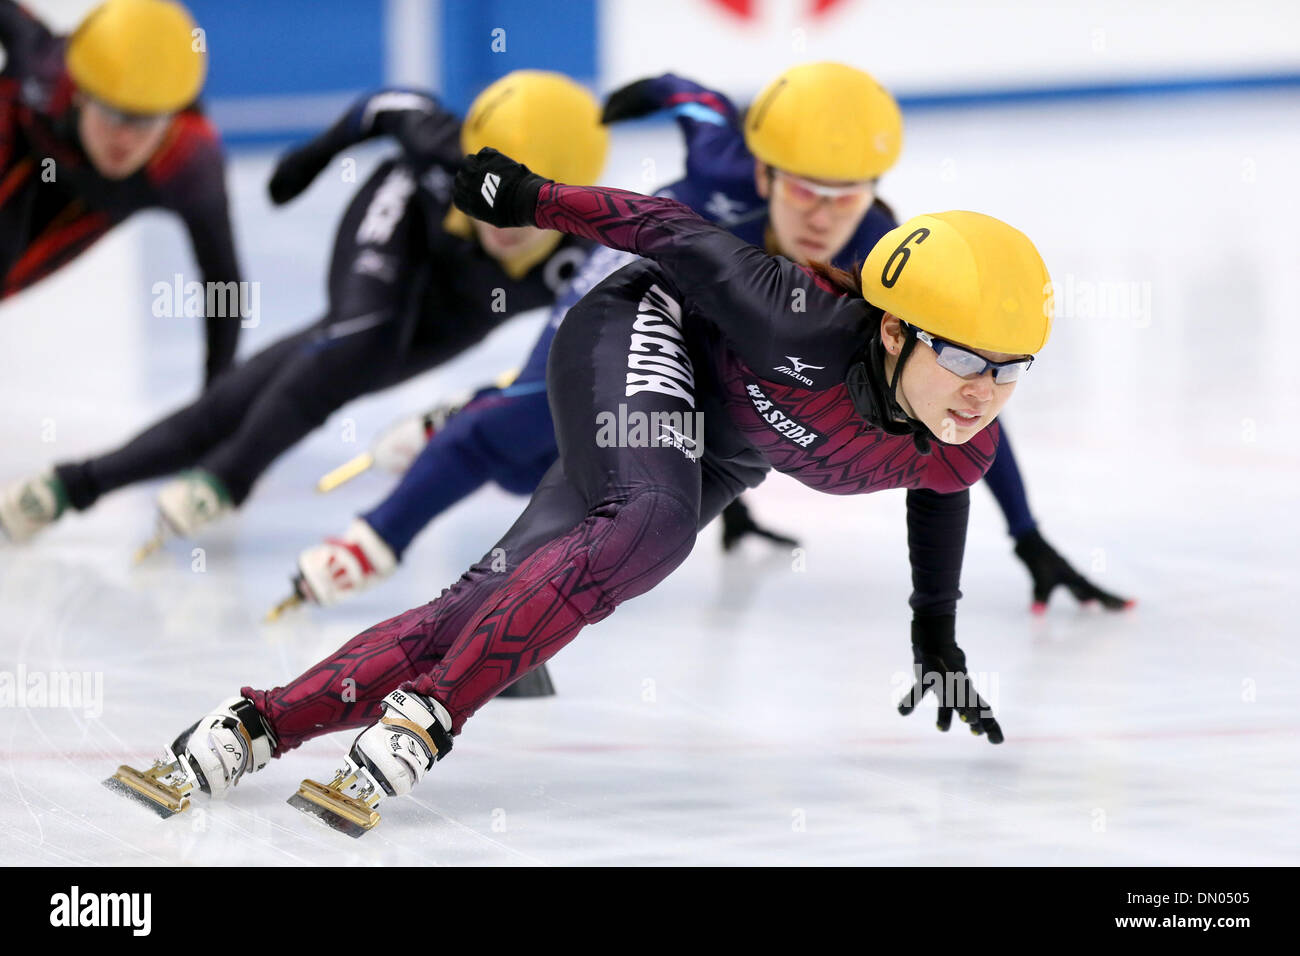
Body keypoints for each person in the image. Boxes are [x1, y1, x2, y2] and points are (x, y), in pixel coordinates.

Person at [112, 145, 1055, 834]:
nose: (984, 390)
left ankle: (253, 723)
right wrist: (529, 195)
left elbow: (940, 501)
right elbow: (670, 232)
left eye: (1012, 368)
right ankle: (434, 716)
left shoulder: (957, 442)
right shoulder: (794, 317)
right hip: (640, 328)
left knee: (492, 599)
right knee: (650, 526)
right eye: (964, 356)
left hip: (719, 442)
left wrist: (936, 637)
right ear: (893, 332)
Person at [286, 65, 1129, 617]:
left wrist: (1024, 532)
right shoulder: (727, 166)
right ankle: (382, 527)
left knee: (578, 465)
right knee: (522, 421)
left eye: (852, 193)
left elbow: (948, 403)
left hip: (723, 354)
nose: (826, 213)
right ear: (762, 173)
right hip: (643, 285)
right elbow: (695, 104)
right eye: (804, 189)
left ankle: (485, 513)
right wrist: (634, 104)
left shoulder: (884, 250)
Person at [0, 71, 604, 550]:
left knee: (304, 368)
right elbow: (388, 107)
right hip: (403, 228)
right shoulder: (441, 150)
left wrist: (458, 413)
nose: (501, 223)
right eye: (489, 197)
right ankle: (227, 477)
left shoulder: (587, 256)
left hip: (458, 308)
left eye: (526, 212)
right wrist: (310, 160)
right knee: (357, 341)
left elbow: (591, 371)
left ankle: (68, 485)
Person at [0, 0, 243, 387]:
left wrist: (217, 398)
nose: (126, 139)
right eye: (113, 115)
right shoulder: (45, 70)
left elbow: (224, 285)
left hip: (92, 202)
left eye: (146, 121)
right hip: (24, 149)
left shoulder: (189, 163)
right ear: (80, 94)